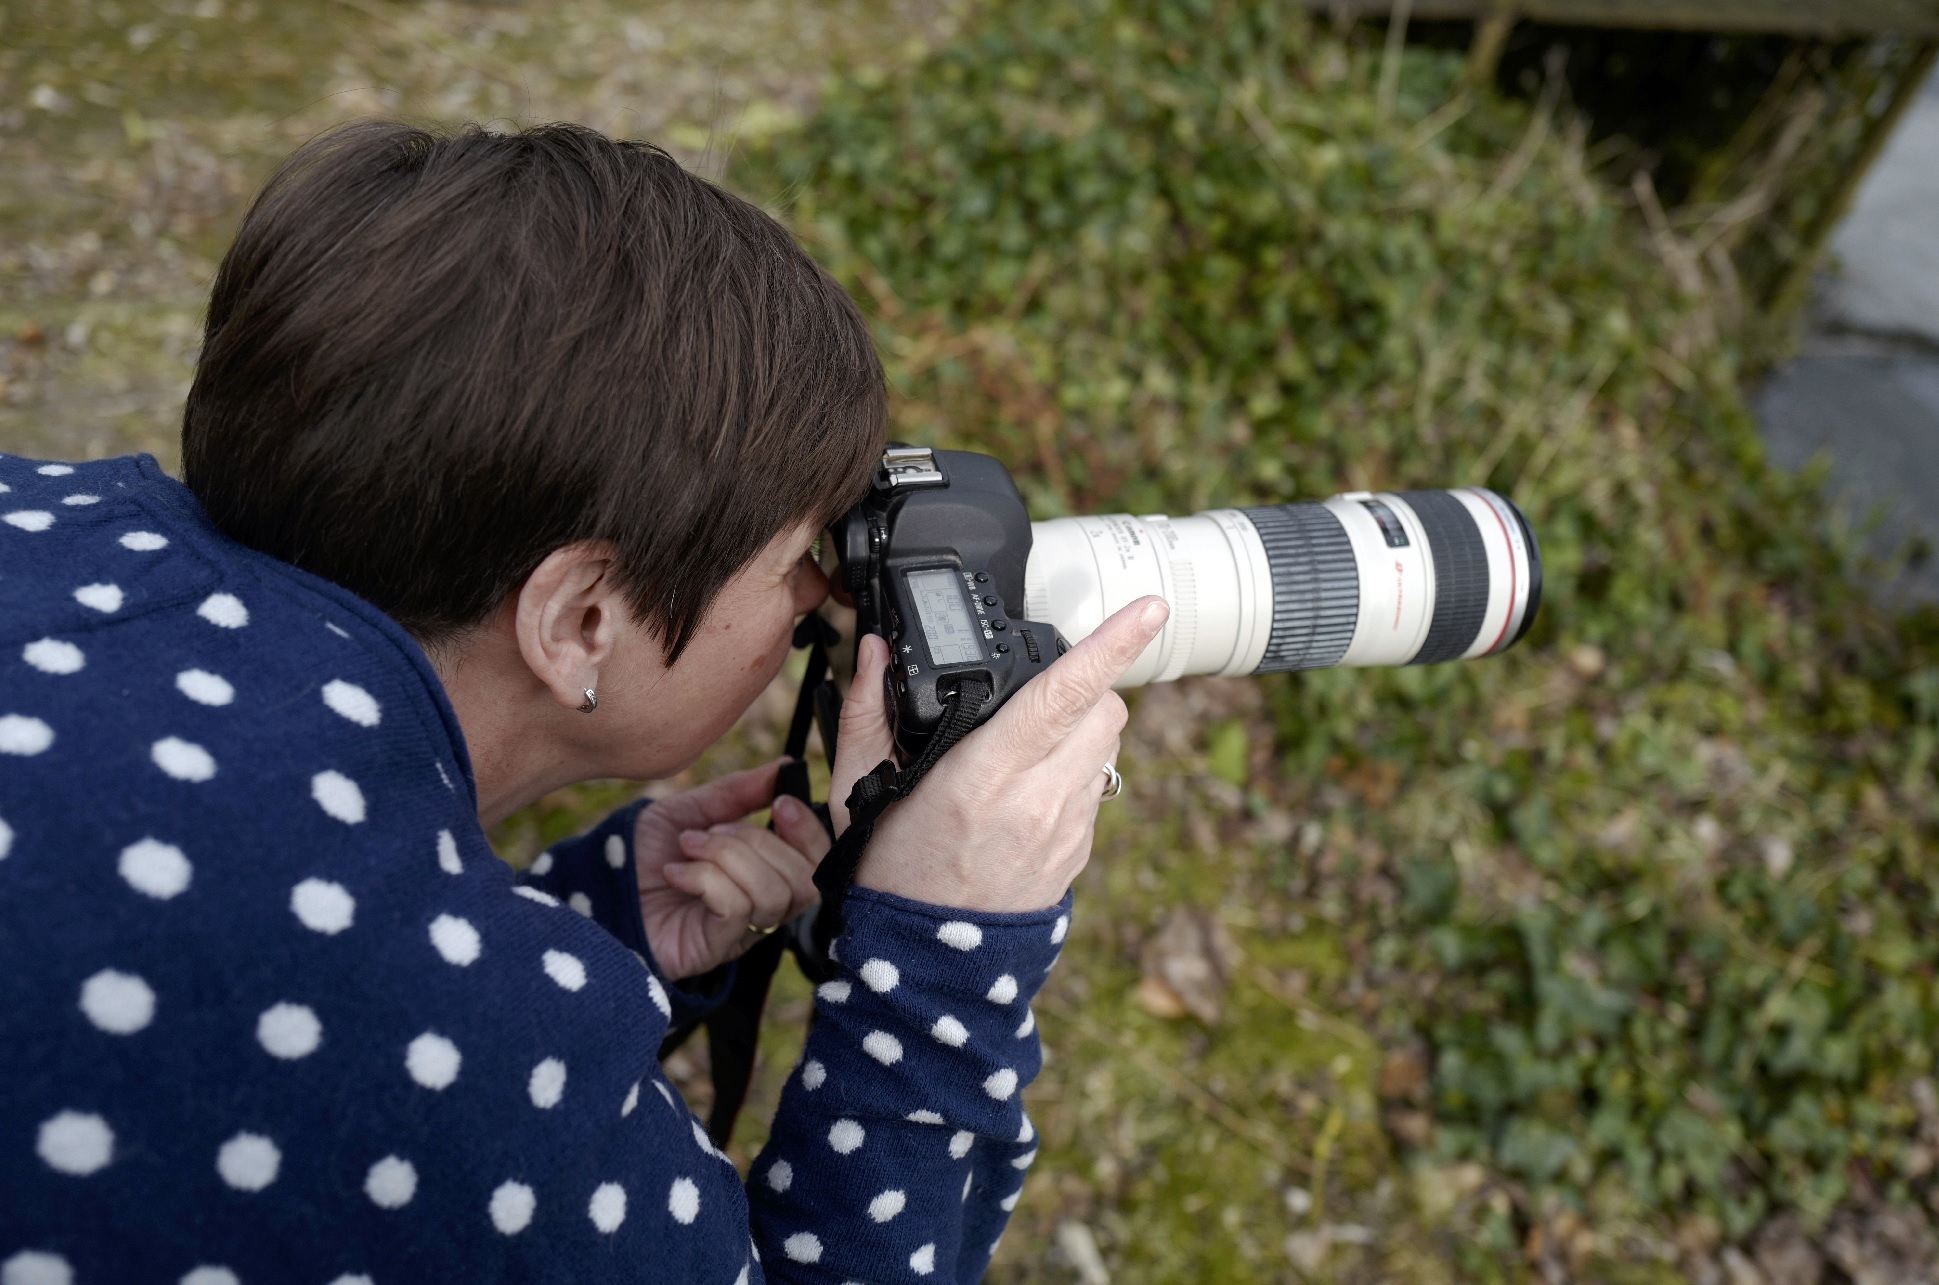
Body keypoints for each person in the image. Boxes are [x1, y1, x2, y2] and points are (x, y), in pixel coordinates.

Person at [0, 120, 1166, 1284]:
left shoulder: (42, 515)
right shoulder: (460, 1047)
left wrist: (578, 926)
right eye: (799, 563)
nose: (820, 601)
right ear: (582, 621)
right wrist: (947, 962)